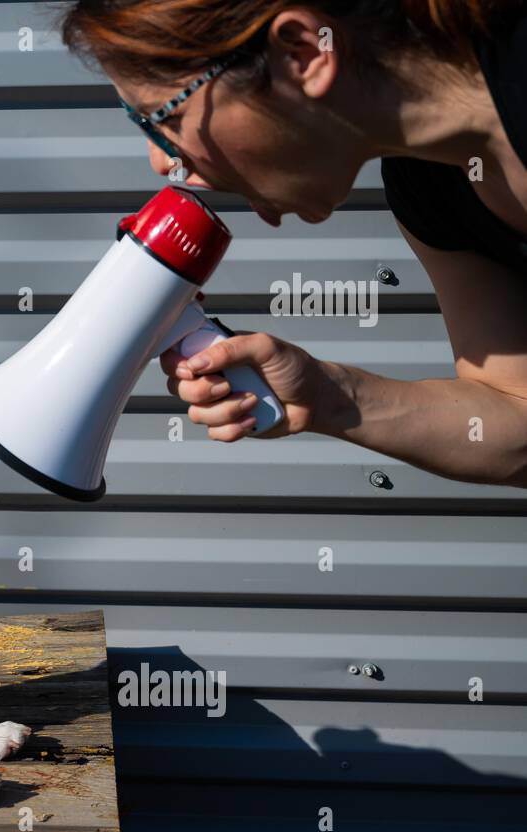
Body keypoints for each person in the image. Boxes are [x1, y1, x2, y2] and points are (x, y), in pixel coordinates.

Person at [59, 0, 527, 488]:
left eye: (165, 120)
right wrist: (327, 397)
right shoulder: (428, 187)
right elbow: (519, 418)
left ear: (303, 53)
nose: (160, 162)